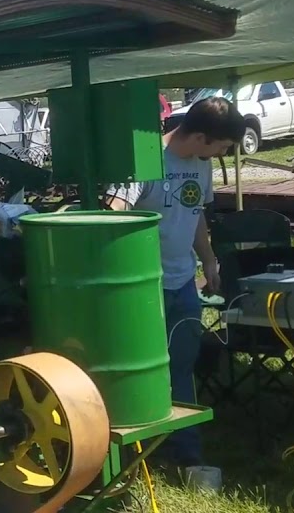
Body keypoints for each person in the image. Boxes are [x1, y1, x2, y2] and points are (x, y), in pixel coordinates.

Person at [105, 95, 243, 469]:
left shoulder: (201, 165)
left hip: (183, 284)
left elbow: (196, 214)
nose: (220, 155)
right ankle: (131, 452)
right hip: (142, 289)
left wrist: (209, 260)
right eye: (222, 148)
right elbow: (114, 214)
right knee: (134, 369)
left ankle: (185, 454)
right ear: (200, 137)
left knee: (182, 365)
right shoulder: (144, 159)